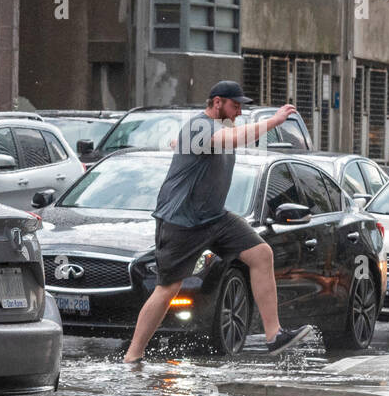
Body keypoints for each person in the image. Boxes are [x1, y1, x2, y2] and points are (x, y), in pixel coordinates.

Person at [121, 80, 314, 365]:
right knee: (168, 288)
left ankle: (274, 336)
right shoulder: (200, 127)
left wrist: (178, 144)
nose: (238, 112)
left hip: (214, 216)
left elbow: (193, 143)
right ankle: (133, 355)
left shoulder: (212, 130)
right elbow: (231, 140)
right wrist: (274, 121)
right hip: (182, 221)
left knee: (262, 254)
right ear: (217, 102)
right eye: (235, 106)